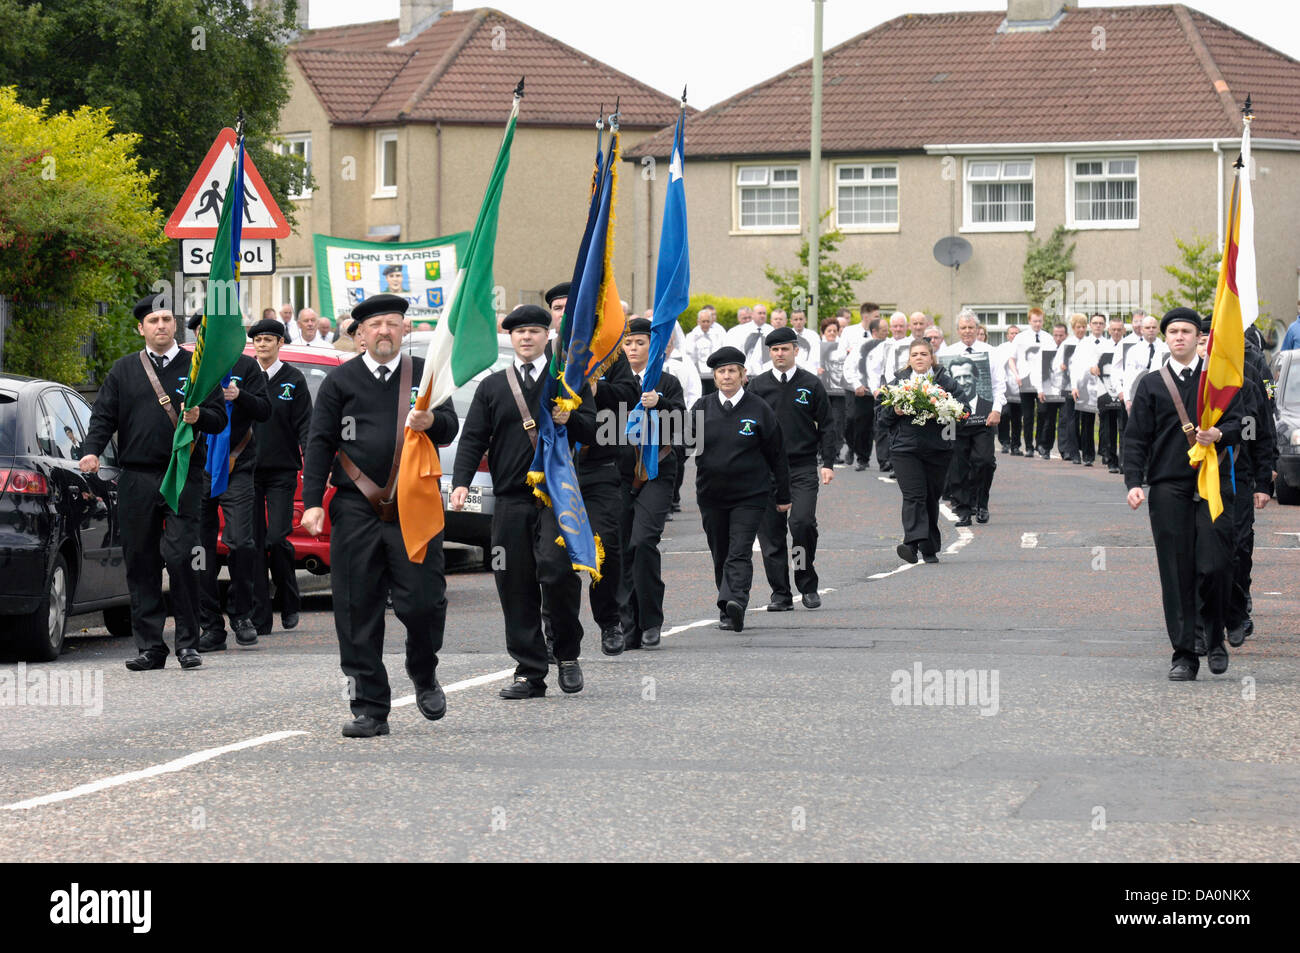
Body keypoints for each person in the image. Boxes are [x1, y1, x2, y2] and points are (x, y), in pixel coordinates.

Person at [300, 294, 459, 737]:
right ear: (360, 335)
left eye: (392, 323)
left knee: (424, 602)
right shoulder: (340, 381)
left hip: (415, 506)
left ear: (404, 330)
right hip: (356, 508)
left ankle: (423, 672)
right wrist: (313, 501)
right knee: (355, 609)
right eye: (375, 325)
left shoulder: (423, 373)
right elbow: (319, 442)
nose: (384, 331)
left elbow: (450, 426)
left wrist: (433, 422)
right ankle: (369, 706)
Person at [450, 305, 596, 699]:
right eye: (519, 332)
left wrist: (572, 418)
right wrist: (461, 483)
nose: (526, 338)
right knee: (512, 582)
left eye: (534, 331)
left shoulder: (566, 381)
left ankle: (566, 653)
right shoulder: (493, 386)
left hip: (556, 499)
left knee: (556, 571)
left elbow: (597, 431)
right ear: (510, 338)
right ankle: (530, 671)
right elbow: (473, 438)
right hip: (511, 501)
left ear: (547, 336)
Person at [77, 293, 226, 671]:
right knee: (141, 560)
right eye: (153, 321)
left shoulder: (197, 366)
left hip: (183, 475)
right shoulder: (124, 370)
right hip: (137, 476)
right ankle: (150, 647)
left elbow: (219, 418)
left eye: (166, 319)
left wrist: (198, 417)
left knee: (181, 557)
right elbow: (103, 417)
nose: (160, 326)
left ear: (174, 325)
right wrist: (92, 450)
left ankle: (188, 643)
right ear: (140, 328)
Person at [1124, 307, 1242, 681]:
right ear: (1165, 337)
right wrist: (1133, 483)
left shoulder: (1217, 381)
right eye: (1173, 331)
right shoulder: (1151, 384)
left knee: (1215, 565)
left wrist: (1220, 435)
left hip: (1212, 485)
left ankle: (1215, 635)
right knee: (1176, 573)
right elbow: (1136, 438)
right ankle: (1185, 655)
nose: (1179, 337)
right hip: (1168, 487)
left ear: (1197, 337)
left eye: (1186, 331)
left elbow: (1243, 423)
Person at [692, 346, 790, 632]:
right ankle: (726, 605)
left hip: (750, 494)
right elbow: (683, 443)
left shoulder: (759, 408)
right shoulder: (701, 407)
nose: (727, 376)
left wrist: (783, 495)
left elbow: (777, 454)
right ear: (714, 376)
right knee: (720, 551)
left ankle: (735, 602)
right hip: (711, 495)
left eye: (732, 371)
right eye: (721, 371)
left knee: (739, 550)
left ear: (743, 375)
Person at [192, 314, 271, 652]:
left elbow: (265, 410)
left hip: (236, 465)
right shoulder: (189, 367)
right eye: (201, 332)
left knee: (241, 542)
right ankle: (210, 624)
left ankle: (242, 614)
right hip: (196, 467)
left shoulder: (246, 367)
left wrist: (239, 396)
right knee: (199, 549)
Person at [751, 327, 836, 610]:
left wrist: (829, 463)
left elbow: (827, 425)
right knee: (771, 534)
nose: (779, 354)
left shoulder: (810, 384)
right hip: (766, 471)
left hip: (800, 467)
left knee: (801, 524)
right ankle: (780, 594)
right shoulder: (758, 386)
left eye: (785, 349)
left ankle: (806, 583)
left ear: (796, 350)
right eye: (774, 350)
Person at [614, 318, 687, 650]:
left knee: (642, 542)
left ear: (653, 347)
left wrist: (662, 404)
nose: (633, 349)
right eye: (628, 343)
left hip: (656, 470)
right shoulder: (612, 381)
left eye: (640, 343)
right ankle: (627, 623)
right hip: (618, 474)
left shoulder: (666, 382)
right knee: (620, 549)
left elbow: (683, 421)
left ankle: (651, 620)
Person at [247, 318, 312, 636]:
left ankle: (289, 598)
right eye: (258, 339)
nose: (262, 344)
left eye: (269, 339)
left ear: (280, 343)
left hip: (283, 471)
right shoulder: (245, 377)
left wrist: (312, 463)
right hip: (248, 472)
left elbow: (306, 426)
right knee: (255, 544)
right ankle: (261, 617)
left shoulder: (294, 380)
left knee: (277, 538)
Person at [576, 333, 640, 657]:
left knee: (606, 546)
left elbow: (631, 395)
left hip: (599, 465)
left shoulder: (610, 355)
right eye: (558, 308)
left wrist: (599, 388)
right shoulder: (547, 353)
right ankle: (556, 633)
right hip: (557, 467)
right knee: (555, 558)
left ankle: (609, 621)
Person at [881, 340, 958, 564]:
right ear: (909, 358)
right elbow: (881, 418)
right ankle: (911, 544)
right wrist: (894, 410)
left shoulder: (945, 382)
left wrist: (943, 412)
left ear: (932, 357)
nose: (919, 358)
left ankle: (929, 547)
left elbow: (964, 411)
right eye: (914, 354)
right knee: (914, 495)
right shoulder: (897, 383)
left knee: (930, 498)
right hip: (905, 449)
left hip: (938, 450)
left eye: (924, 354)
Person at [938, 310, 1004, 526]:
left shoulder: (991, 352)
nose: (967, 331)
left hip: (983, 418)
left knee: (984, 461)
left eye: (971, 327)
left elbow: (998, 384)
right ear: (958, 330)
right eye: (963, 328)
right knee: (956, 465)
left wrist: (997, 410)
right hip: (955, 419)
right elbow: (941, 385)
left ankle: (980, 502)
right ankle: (963, 509)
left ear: (978, 330)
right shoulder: (947, 353)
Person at [843, 308, 886, 471]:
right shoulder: (861, 346)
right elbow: (849, 367)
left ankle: (864, 458)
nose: (886, 333)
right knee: (855, 422)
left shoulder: (888, 346)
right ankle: (853, 448)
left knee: (872, 426)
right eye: (884, 330)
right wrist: (857, 385)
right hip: (863, 391)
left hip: (881, 392)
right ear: (874, 331)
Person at [866, 311, 909, 473]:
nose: (898, 329)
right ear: (890, 328)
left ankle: (899, 460)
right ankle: (885, 461)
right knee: (883, 426)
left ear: (907, 327)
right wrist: (875, 388)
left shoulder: (913, 344)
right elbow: (874, 369)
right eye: (895, 326)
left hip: (907, 391)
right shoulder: (883, 345)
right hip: (888, 390)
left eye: (901, 326)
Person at [1070, 313, 1109, 466]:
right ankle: (1088, 455)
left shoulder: (1109, 344)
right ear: (1090, 326)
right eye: (1095, 323)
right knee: (1087, 422)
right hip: (1087, 386)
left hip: (1106, 387)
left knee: (1106, 422)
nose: (1098, 325)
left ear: (1104, 326)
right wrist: (1074, 386)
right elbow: (1075, 366)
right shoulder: (1083, 344)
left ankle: (1106, 453)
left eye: (1101, 323)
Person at [1009, 307, 1047, 457]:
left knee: (1043, 412)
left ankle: (1040, 444)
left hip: (1043, 382)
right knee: (1028, 415)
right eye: (1035, 321)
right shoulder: (1020, 338)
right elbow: (1011, 359)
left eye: (1040, 321)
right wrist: (1016, 375)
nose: (1037, 324)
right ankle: (1029, 446)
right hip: (1025, 380)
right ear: (1029, 321)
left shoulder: (1048, 338)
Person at [1034, 322, 1068, 460]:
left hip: (1065, 389)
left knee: (1064, 420)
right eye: (1056, 335)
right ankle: (1045, 447)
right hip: (1049, 388)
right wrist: (1040, 390)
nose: (1058, 338)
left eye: (1061, 335)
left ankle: (1064, 450)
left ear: (1066, 335)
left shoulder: (1071, 349)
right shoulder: (1045, 348)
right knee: (1048, 419)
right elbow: (1037, 370)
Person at [1058, 313, 1087, 464]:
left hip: (1086, 387)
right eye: (1078, 327)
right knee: (1071, 419)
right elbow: (1055, 363)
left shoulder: (1089, 343)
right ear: (1073, 328)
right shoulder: (1067, 344)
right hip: (1069, 385)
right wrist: (1061, 366)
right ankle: (1073, 452)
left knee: (1085, 419)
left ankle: (1085, 449)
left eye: (1083, 326)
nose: (1081, 330)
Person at [820, 320, 848, 465]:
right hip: (822, 390)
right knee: (822, 421)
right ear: (823, 332)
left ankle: (835, 452)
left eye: (834, 331)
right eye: (828, 331)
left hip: (839, 391)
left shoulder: (843, 347)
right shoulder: (817, 346)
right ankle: (820, 452)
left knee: (838, 422)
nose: (831, 333)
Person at [684, 305, 726, 395]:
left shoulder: (719, 335)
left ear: (711, 322)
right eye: (703, 321)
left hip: (714, 374)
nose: (705, 324)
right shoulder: (691, 336)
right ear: (698, 322)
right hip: (697, 374)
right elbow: (689, 355)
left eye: (708, 321)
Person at [995, 325, 1021, 453]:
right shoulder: (1001, 348)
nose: (1014, 335)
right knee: (1004, 414)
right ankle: (1004, 442)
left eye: (1016, 333)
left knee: (1017, 417)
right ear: (1007, 335)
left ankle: (1016, 445)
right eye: (1012, 333)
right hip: (1005, 387)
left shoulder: (1022, 347)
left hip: (1019, 387)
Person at [724, 304, 771, 368]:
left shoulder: (771, 330)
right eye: (760, 313)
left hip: (766, 368)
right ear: (753, 314)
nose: (762, 316)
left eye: (764, 313)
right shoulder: (741, 330)